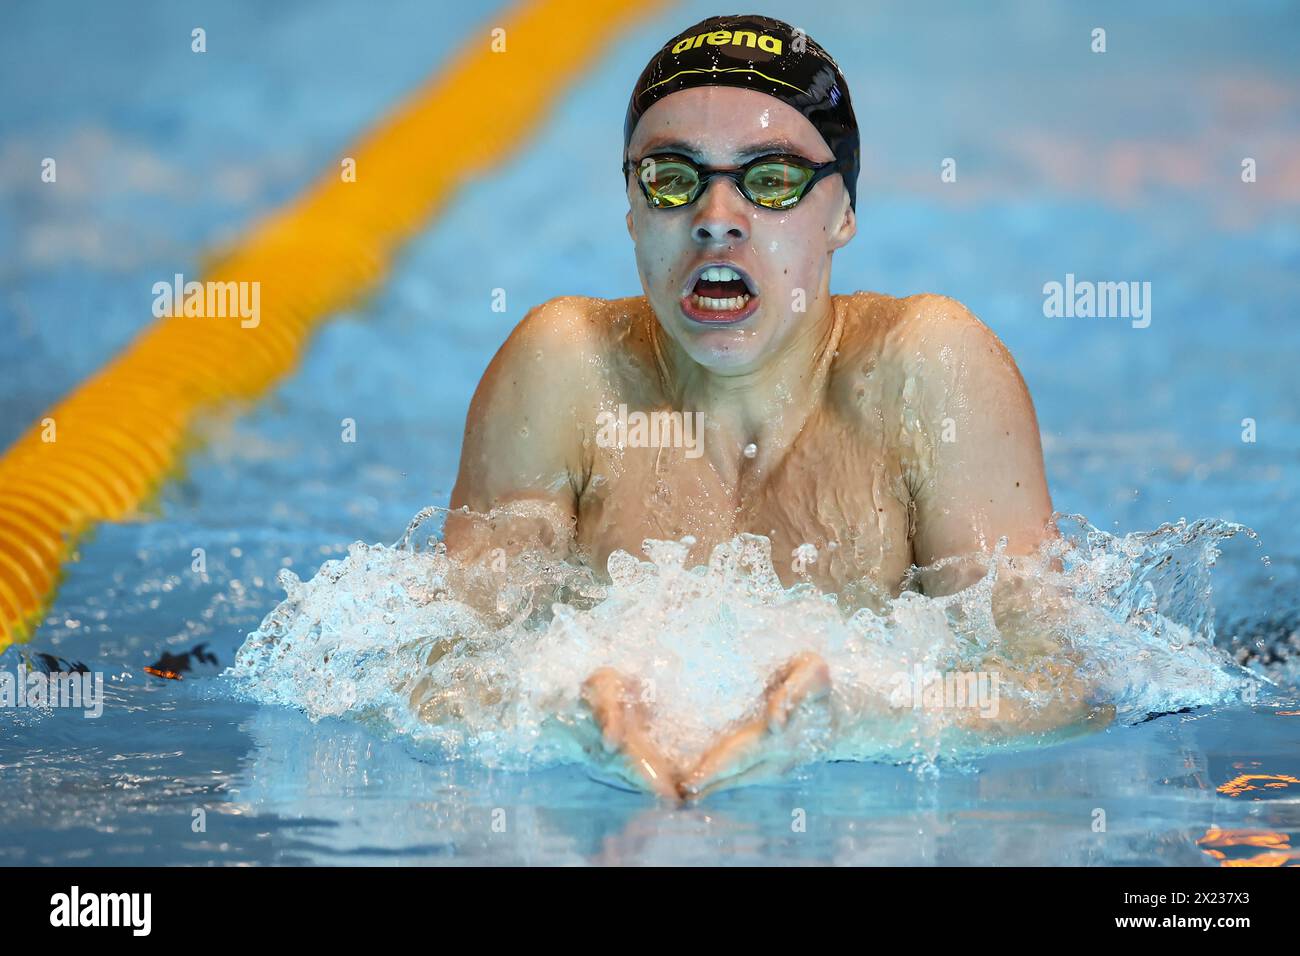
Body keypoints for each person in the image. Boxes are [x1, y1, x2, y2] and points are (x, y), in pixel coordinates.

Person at [445, 14, 1073, 800]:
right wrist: (547, 713)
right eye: (672, 176)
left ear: (843, 212)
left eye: (771, 178)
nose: (714, 216)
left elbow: (1054, 677)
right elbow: (435, 661)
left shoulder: (925, 370)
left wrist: (864, 719)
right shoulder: (566, 369)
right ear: (632, 211)